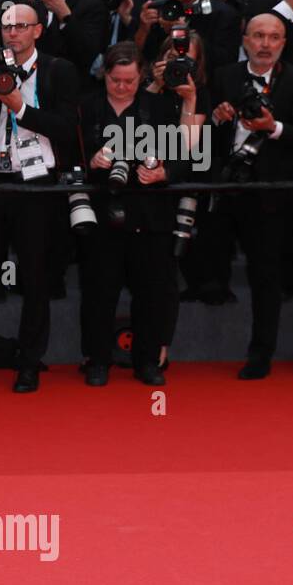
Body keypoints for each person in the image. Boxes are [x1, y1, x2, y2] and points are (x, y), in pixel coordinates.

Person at [0, 3, 79, 393]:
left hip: (37, 185)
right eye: (7, 26)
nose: (13, 32)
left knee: (35, 276)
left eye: (21, 25)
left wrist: (20, 107)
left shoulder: (59, 70)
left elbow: (67, 128)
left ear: (38, 31)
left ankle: (29, 361)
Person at [206, 13, 293, 379]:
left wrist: (274, 128)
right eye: (259, 36)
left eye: (274, 37)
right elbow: (202, 131)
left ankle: (261, 354)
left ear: (284, 43)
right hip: (226, 187)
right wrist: (217, 117)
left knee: (264, 275)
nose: (266, 44)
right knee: (210, 262)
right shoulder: (225, 75)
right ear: (245, 39)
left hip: (270, 192)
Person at [78, 42, 194, 386]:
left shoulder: (158, 107)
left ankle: (147, 361)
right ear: (105, 76)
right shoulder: (87, 106)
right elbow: (67, 153)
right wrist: (90, 162)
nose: (123, 87)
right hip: (99, 215)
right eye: (116, 80)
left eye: (129, 81)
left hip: (150, 214)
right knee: (99, 292)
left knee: (152, 292)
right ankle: (97, 360)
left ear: (141, 76)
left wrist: (162, 173)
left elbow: (186, 158)